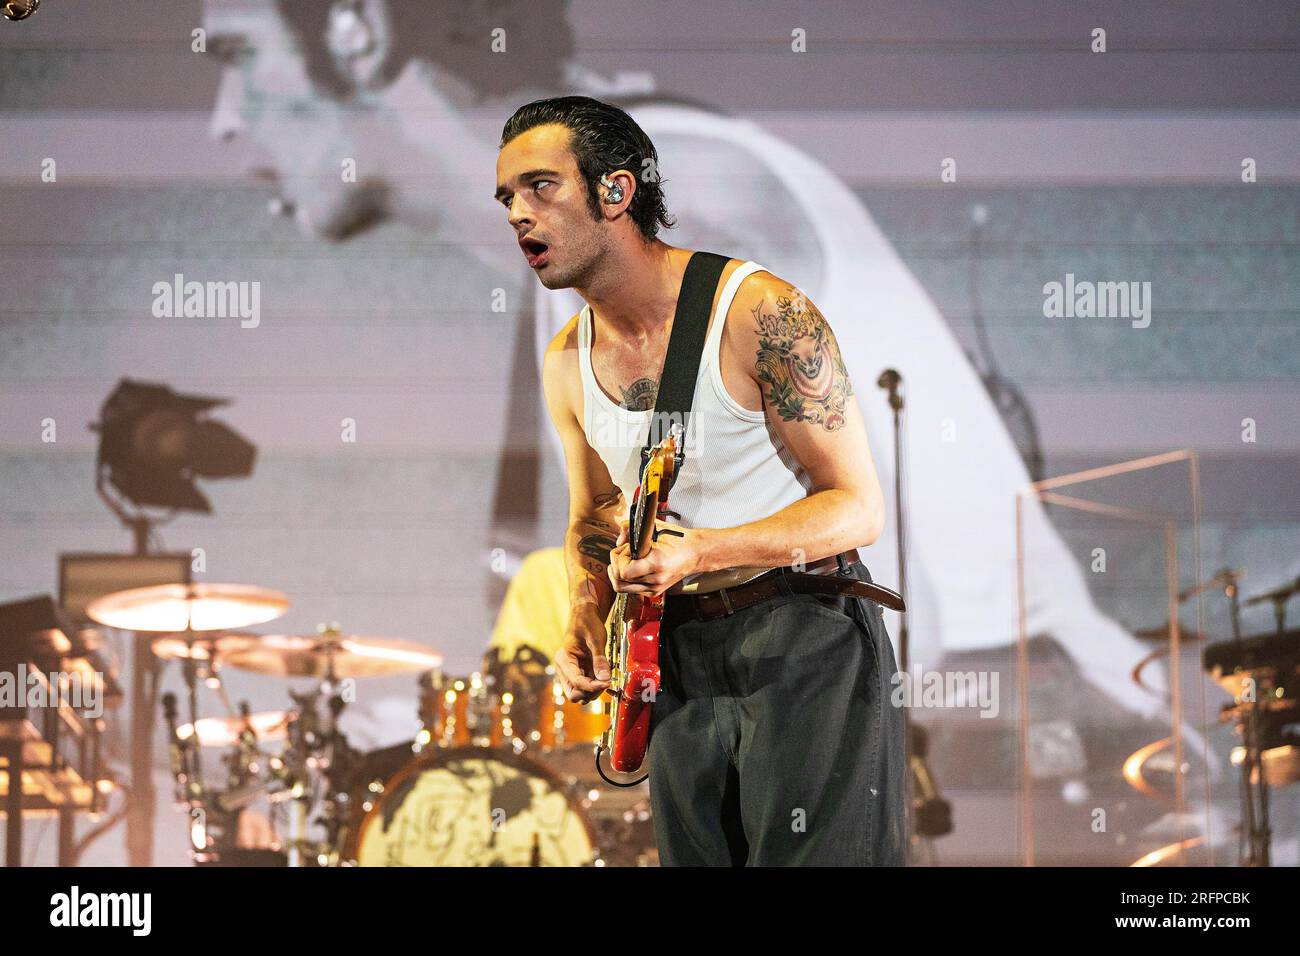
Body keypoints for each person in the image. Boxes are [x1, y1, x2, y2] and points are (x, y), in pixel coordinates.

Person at [497, 96, 906, 865]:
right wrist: (589, 611)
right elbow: (594, 517)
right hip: (673, 651)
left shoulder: (760, 311)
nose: (519, 214)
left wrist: (703, 550)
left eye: (541, 187)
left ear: (617, 192)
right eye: (507, 198)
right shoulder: (563, 359)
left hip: (804, 632)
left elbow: (857, 508)